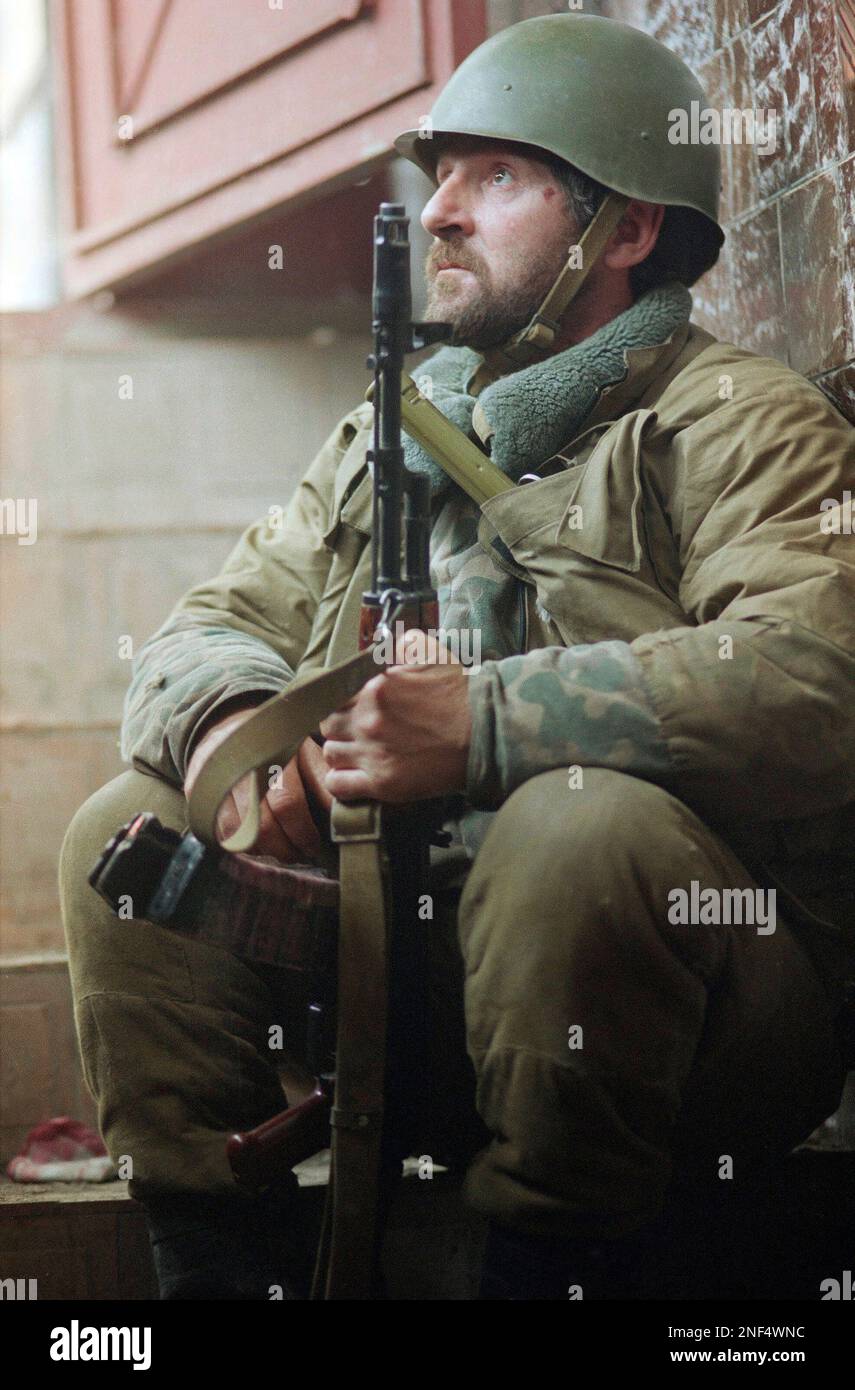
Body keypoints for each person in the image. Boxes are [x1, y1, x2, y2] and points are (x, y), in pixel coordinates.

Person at [60, 14, 855, 1300]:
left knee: (575, 833)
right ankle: (208, 1264)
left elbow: (816, 683)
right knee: (127, 827)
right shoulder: (395, 434)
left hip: (708, 1021)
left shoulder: (739, 423)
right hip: (402, 990)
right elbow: (206, 629)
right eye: (443, 177)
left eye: (495, 176)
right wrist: (233, 734)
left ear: (628, 229)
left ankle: (557, 1269)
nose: (442, 214)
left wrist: (480, 724)